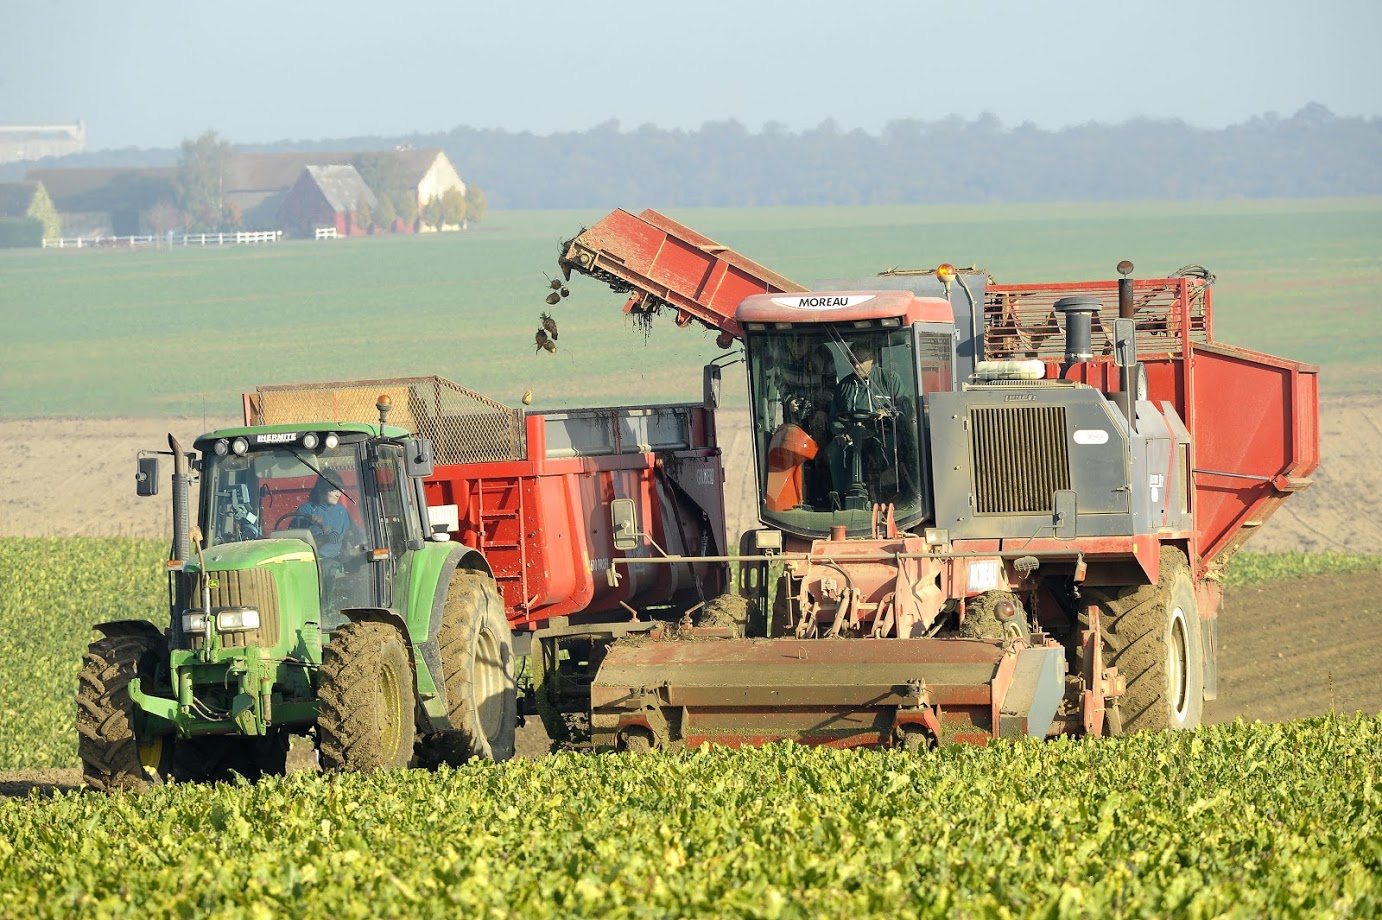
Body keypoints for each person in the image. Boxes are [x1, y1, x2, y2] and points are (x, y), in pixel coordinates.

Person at [829, 341, 909, 504]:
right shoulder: (843, 387)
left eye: (860, 361)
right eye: (852, 362)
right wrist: (840, 433)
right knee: (833, 452)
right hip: (852, 436)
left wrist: (887, 412)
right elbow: (834, 417)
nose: (856, 366)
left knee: (889, 450)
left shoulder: (889, 379)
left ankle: (890, 496)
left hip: (882, 433)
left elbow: (904, 408)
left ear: (871, 359)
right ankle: (840, 497)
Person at [294, 480, 356, 562]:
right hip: (314, 559)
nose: (338, 494)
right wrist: (307, 522)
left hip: (339, 558)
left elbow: (351, 534)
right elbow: (295, 537)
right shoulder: (307, 510)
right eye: (334, 490)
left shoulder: (341, 510)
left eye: (340, 490)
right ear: (322, 490)